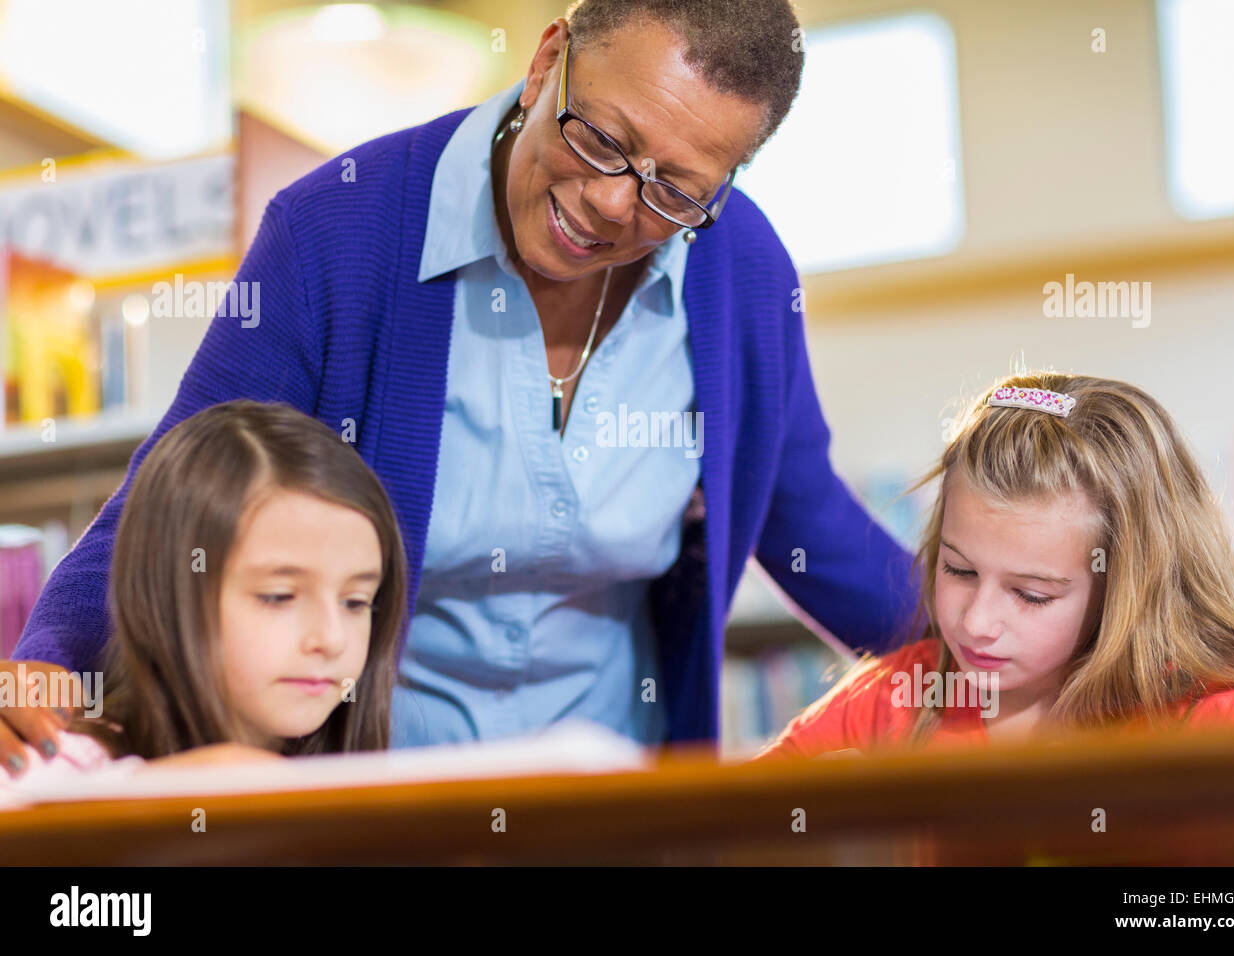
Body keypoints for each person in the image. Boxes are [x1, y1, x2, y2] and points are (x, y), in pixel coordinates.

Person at [6, 0, 917, 758]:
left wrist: (1001, 652)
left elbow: (809, 523)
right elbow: (177, 490)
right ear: (548, 59)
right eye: (600, 135)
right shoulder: (338, 231)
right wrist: (52, 655)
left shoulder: (743, 272)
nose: (612, 201)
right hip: (377, 800)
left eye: (676, 189)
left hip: (617, 793)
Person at [756, 373, 1234, 758]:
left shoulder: (1215, 718)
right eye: (959, 570)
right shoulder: (891, 699)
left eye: (1032, 594)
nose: (975, 622)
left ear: (1128, 586)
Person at [1, 400, 407, 783]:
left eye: (356, 602)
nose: (333, 639)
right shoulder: (53, 770)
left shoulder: (367, 788)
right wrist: (158, 790)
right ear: (166, 599)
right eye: (279, 596)